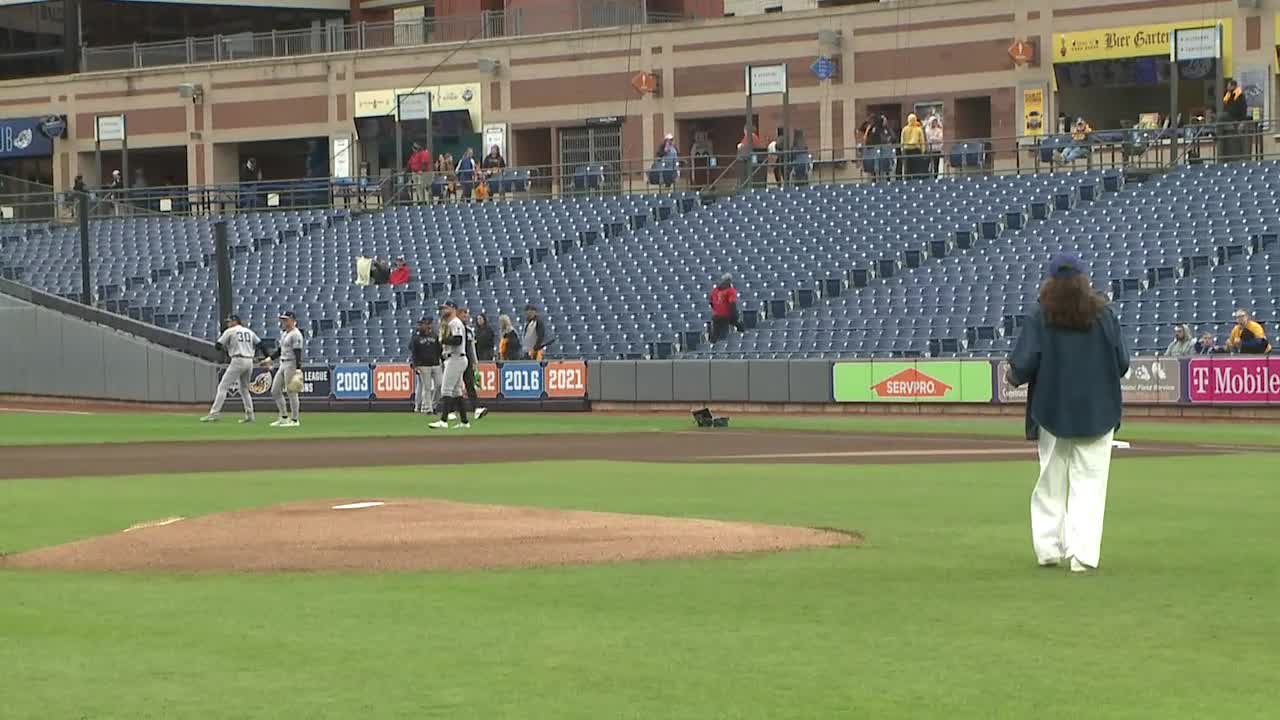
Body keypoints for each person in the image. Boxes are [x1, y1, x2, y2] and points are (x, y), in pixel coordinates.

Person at [1006, 254, 1129, 574]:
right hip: (1098, 410)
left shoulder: (1041, 315)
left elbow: (1023, 364)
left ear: (1050, 282)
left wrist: (1013, 375)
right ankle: (1083, 556)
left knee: (1050, 482)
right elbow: (1123, 363)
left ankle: (1048, 549)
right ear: (1083, 281)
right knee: (1090, 485)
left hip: (1052, 409)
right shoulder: (1104, 315)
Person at [201, 315, 264, 423]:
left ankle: (213, 414)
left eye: (230, 321)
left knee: (222, 387)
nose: (228, 324)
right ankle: (250, 416)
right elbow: (260, 344)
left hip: (237, 360)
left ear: (235, 322)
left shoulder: (230, 331)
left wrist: (227, 348)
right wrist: (263, 355)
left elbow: (218, 346)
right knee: (244, 390)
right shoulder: (249, 331)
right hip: (249, 361)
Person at [430, 304, 470, 429]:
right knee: (456, 391)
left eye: (445, 308)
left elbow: (458, 340)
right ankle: (464, 422)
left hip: (456, 358)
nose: (442, 311)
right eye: (441, 309)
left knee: (446, 390)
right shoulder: (449, 323)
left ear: (453, 309)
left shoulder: (455, 322)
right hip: (454, 358)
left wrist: (444, 340)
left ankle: (443, 420)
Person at [269, 311, 305, 428]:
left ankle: (295, 419)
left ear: (293, 320)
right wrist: (270, 359)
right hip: (283, 363)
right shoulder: (285, 333)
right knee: (275, 390)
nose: (284, 322)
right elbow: (280, 350)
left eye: (286, 320)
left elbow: (298, 352)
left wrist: (298, 368)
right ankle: (284, 417)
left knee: (291, 391)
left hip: (291, 363)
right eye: (283, 320)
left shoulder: (296, 334)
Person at [452, 308, 487, 421]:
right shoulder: (454, 328)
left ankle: (476, 408)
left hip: (466, 360)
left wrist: (475, 362)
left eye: (466, 315)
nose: (466, 318)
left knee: (469, 384)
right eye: (463, 315)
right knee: (454, 386)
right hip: (455, 359)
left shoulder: (469, 331)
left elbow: (472, 348)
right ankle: (451, 410)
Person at [409, 317, 442, 415]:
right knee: (427, 387)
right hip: (423, 365)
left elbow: (439, 349)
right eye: (420, 324)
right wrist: (415, 364)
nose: (421, 326)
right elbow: (414, 352)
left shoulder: (434, 335)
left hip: (435, 363)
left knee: (439, 385)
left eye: (422, 324)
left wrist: (442, 360)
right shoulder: (416, 337)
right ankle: (429, 408)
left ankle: (434, 404)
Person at [708, 273, 743, 343]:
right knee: (723, 336)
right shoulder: (730, 291)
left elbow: (711, 302)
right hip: (725, 315)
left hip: (716, 315)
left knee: (715, 335)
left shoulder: (715, 290)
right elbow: (732, 304)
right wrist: (735, 315)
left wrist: (716, 309)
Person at [1222, 80, 1249, 161]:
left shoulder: (1240, 95)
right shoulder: (1228, 95)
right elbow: (1226, 107)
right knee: (1233, 140)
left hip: (1237, 118)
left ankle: (1242, 157)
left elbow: (1243, 108)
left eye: (1228, 85)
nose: (1227, 87)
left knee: (1240, 139)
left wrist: (1242, 121)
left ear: (1233, 86)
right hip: (1230, 119)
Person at [900, 113, 926, 178]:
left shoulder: (904, 129)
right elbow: (922, 141)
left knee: (907, 169)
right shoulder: (918, 129)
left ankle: (907, 181)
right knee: (916, 169)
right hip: (916, 150)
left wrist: (902, 150)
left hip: (907, 150)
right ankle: (915, 181)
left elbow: (902, 141)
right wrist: (923, 151)